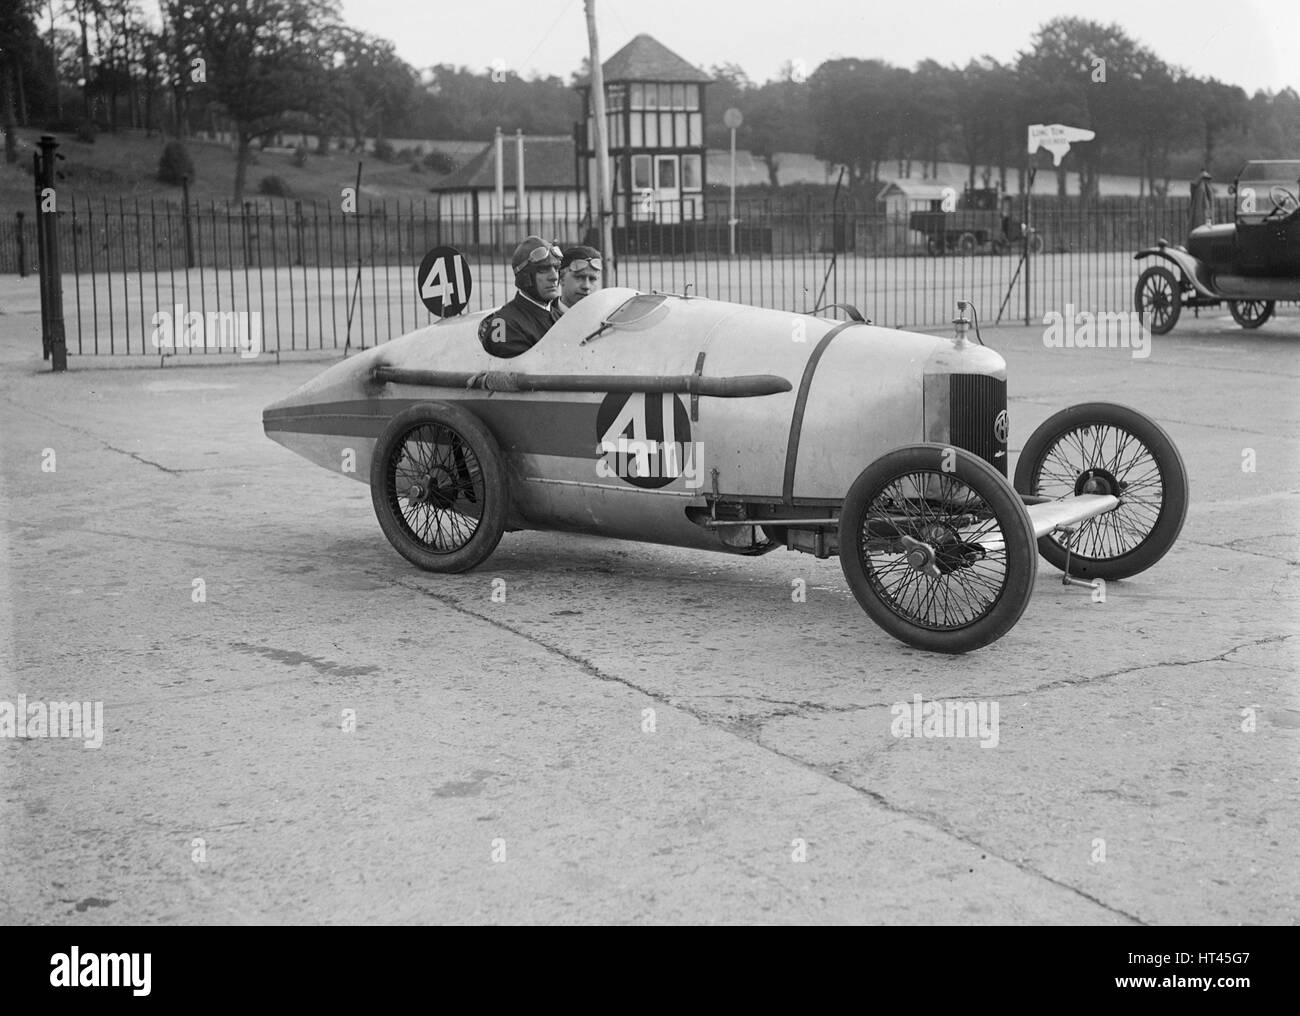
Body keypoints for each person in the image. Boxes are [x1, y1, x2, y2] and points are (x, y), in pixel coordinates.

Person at [478, 236, 562, 357]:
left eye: (556, 268)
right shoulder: (505, 324)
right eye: (543, 269)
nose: (554, 277)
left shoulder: (560, 317)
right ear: (525, 277)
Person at [555, 245, 603, 315]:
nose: (586, 286)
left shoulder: (606, 318)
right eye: (579, 277)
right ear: (561, 278)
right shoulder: (543, 317)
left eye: (592, 279)